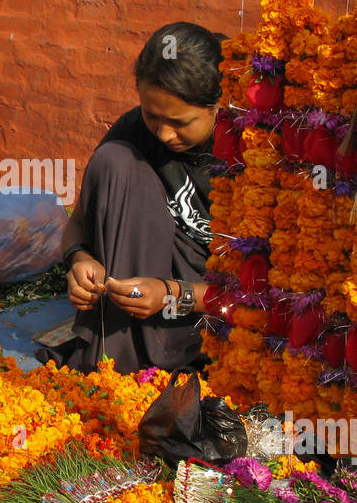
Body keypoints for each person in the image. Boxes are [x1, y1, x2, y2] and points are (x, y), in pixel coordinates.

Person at [43, 22, 223, 374]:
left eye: (180, 122)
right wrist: (79, 260)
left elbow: (265, 298)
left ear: (217, 106)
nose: (165, 134)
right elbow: (77, 224)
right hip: (140, 299)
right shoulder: (136, 130)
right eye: (152, 115)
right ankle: (117, 358)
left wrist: (173, 295)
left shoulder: (254, 153)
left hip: (211, 308)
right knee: (114, 160)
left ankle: (166, 357)